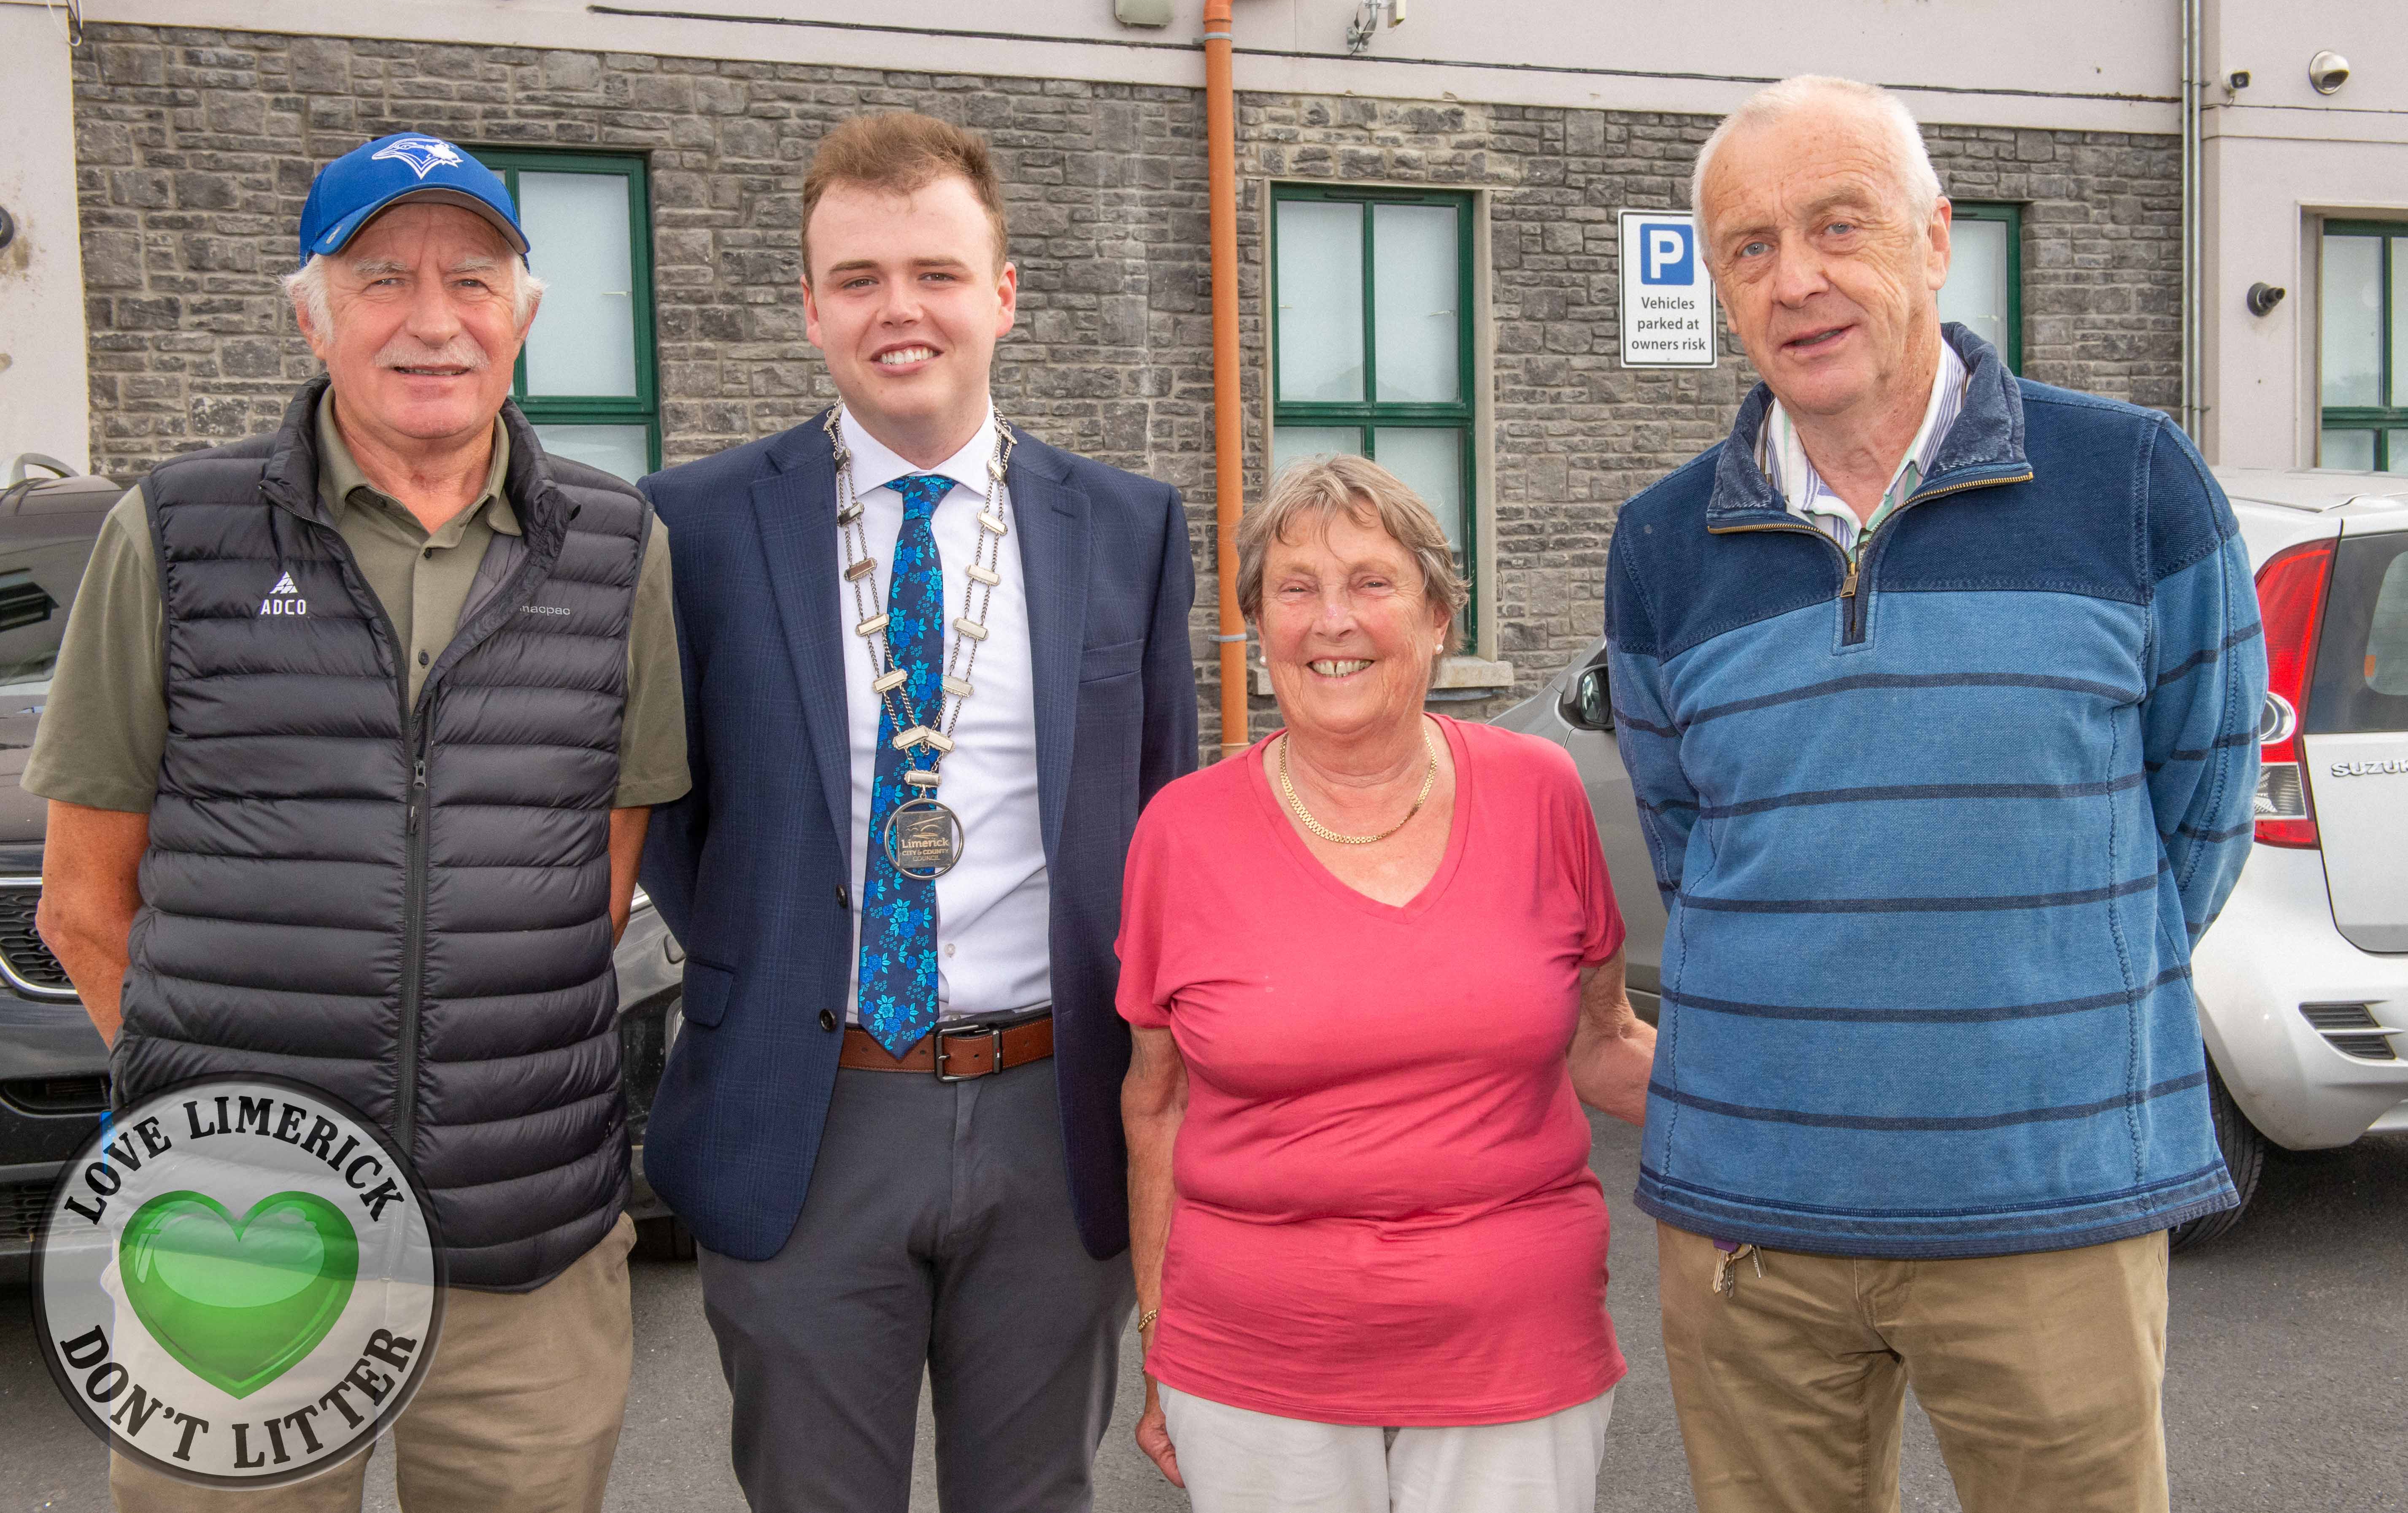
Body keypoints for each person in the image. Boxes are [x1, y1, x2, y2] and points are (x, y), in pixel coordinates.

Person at [1606, 75, 2265, 1513]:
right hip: (1748, 1223)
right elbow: (1693, 841)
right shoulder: (1659, 543)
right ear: (1717, 284)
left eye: (1836, 226)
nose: (1796, 280)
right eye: (1748, 247)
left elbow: (2197, 817)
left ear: (1931, 238)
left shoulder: (2132, 482)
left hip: (2047, 1198)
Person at [29, 132, 688, 1512]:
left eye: (474, 277)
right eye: (380, 277)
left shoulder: (619, 549)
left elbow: (596, 886)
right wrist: (211, 1120)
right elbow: (85, 905)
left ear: (523, 315)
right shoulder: (174, 532)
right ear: (311, 315)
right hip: (230, 1247)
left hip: (526, 1246)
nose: (432, 319)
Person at [636, 111, 1197, 1512]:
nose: (900, 312)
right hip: (805, 1110)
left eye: (936, 273)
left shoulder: (1123, 529)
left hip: (1047, 1109)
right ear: (809, 307)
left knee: (1033, 1497)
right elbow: (670, 815)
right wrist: (768, 970)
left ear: (1002, 293)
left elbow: (1160, 825)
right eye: (859, 278)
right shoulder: (693, 528)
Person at [1116, 455, 1656, 1513]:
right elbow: (1158, 1102)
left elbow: (1605, 1041)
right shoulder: (1180, 830)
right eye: (1294, 588)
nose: (1332, 621)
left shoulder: (1539, 791)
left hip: (1514, 1344)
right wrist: (1157, 1341)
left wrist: (1801, 1129)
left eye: (1371, 583)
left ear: (1438, 615)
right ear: (1258, 628)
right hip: (1256, 1360)